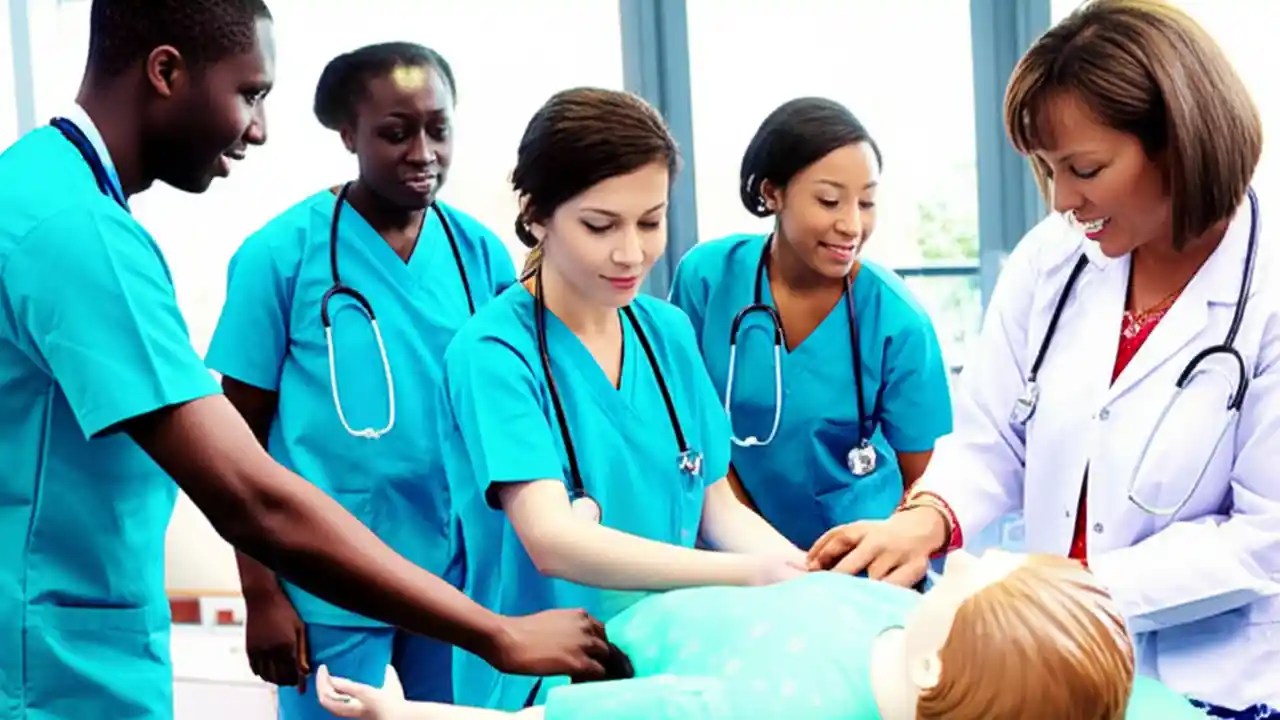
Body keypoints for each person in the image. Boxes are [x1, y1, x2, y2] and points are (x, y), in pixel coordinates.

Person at [0, 3, 609, 718]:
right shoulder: (78, 231)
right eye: (249, 93)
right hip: (51, 659)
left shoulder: (45, 191)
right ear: (165, 72)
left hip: (73, 628)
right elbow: (248, 491)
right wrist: (496, 633)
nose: (258, 127)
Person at [806, 0, 1280, 715]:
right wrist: (924, 521)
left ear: (1179, 143)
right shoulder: (1055, 260)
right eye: (1048, 169)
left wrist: (1058, 593)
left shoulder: (1265, 288)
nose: (1062, 200)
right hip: (1049, 668)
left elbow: (1264, 536)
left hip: (1214, 680)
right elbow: (992, 436)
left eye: (1084, 168)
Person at [436, 87, 808, 712]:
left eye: (650, 222)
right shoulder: (493, 354)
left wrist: (806, 577)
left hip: (660, 668)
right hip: (541, 687)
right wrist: (744, 576)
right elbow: (552, 539)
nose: (631, 253)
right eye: (600, 225)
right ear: (535, 215)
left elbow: (717, 509)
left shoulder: (667, 333)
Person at [205, 42, 516, 717]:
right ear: (348, 134)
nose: (423, 153)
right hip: (328, 582)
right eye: (395, 133)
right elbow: (234, 446)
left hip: (455, 580)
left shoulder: (479, 254)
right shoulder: (280, 256)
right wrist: (260, 592)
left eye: (438, 129)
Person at [312, 548, 1210, 720]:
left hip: (612, 644)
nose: (963, 560)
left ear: (939, 664)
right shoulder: (922, 627)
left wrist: (404, 714)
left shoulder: (765, 706)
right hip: (686, 584)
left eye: (971, 579)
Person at [668, 97, 953, 552]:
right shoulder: (707, 279)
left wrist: (873, 558)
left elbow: (927, 487)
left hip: (857, 562)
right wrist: (754, 547)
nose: (852, 225)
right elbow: (688, 427)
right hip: (731, 553)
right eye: (829, 201)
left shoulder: (897, 320)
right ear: (772, 193)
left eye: (866, 202)